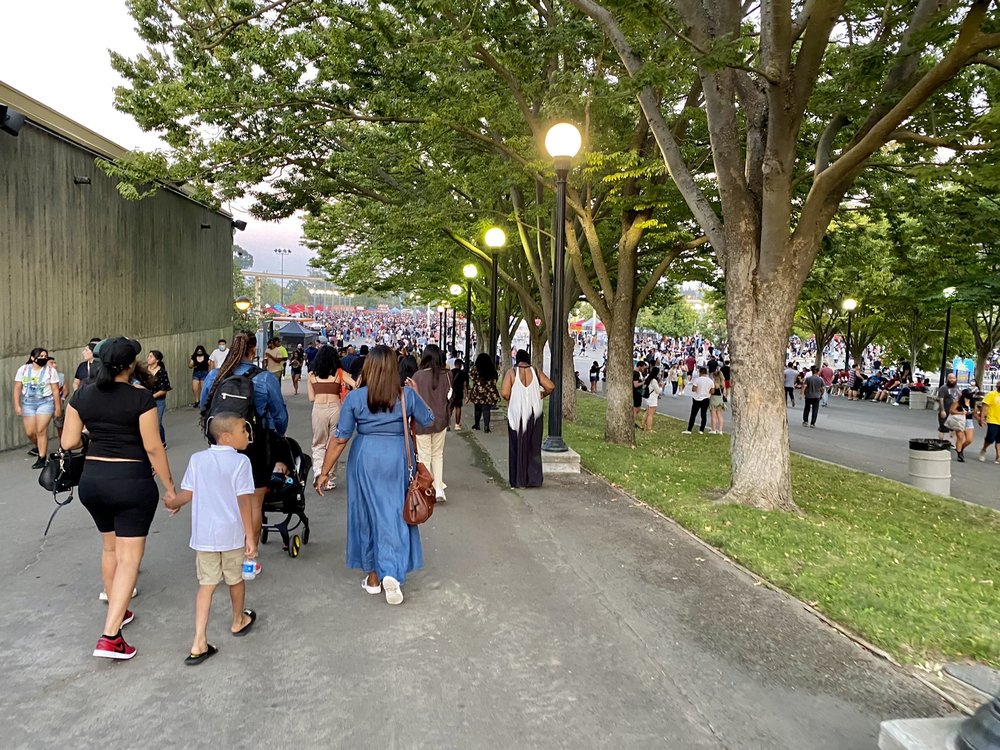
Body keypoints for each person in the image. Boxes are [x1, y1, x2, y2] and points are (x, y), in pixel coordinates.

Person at [61, 337, 174, 660]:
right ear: (130, 365)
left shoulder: (82, 395)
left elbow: (69, 442)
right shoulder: (141, 398)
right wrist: (170, 487)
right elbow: (153, 447)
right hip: (131, 482)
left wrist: (93, 435)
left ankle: (118, 609)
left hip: (93, 481)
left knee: (110, 548)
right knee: (129, 558)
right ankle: (111, 637)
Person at [314, 345, 435, 606]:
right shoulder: (406, 396)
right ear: (394, 369)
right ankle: (391, 571)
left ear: (368, 367)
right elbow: (428, 419)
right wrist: (415, 393)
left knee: (367, 513)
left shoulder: (356, 398)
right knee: (394, 513)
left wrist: (324, 472)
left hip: (365, 456)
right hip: (397, 458)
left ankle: (372, 577)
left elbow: (340, 438)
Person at [165, 413, 258, 665]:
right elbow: (244, 502)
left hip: (204, 536)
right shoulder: (241, 462)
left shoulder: (197, 459)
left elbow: (187, 494)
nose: (247, 434)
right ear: (226, 437)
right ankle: (238, 620)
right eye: (243, 430)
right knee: (235, 580)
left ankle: (198, 642)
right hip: (232, 535)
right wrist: (250, 537)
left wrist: (172, 503)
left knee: (206, 585)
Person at [200, 331, 289, 574]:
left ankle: (222, 556)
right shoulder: (264, 378)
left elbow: (204, 406)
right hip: (256, 444)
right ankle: (248, 558)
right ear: (253, 350)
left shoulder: (216, 375)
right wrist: (277, 434)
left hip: (222, 444)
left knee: (224, 500)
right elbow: (280, 415)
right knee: (253, 503)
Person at [500, 349, 555, 488]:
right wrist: (542, 394)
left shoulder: (512, 373)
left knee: (516, 447)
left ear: (517, 360)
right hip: (535, 414)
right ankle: (534, 479)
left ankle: (518, 480)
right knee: (533, 447)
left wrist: (513, 397)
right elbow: (550, 386)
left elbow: (505, 393)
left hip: (516, 415)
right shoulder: (536, 372)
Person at [308, 345, 351, 490]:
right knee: (333, 443)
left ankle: (318, 472)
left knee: (318, 443)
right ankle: (329, 477)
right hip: (336, 409)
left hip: (318, 409)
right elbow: (355, 384)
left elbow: (311, 397)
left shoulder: (311, 375)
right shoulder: (339, 373)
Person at [412, 344, 452, 502]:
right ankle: (439, 488)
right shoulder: (448, 375)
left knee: (424, 456)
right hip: (441, 420)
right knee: (438, 454)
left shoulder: (418, 376)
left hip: (422, 422)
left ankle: (426, 489)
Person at [14, 348, 62, 468]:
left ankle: (42, 457)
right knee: (30, 432)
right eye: (40, 356)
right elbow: (17, 387)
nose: (43, 358)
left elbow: (55, 390)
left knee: (41, 430)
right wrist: (17, 405)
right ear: (32, 358)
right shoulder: (23, 369)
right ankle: (39, 445)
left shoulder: (50, 371)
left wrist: (58, 408)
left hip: (45, 402)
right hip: (28, 403)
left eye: (45, 356)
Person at [469, 353, 500, 432]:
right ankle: (486, 427)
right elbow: (495, 378)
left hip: (478, 392)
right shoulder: (491, 369)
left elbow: (472, 377)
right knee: (486, 409)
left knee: (477, 409)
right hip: (489, 392)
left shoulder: (476, 369)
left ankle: (477, 424)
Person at [146, 350, 171, 446]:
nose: (148, 358)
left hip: (158, 401)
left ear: (157, 360)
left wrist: (152, 396)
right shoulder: (144, 371)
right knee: (147, 422)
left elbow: (164, 389)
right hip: (145, 400)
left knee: (157, 422)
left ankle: (162, 441)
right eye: (148, 356)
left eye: (151, 356)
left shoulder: (162, 372)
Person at [683, 366, 713, 434]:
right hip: (706, 398)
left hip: (697, 398)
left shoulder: (697, 380)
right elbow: (712, 391)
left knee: (693, 415)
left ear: (700, 372)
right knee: (703, 414)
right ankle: (701, 430)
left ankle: (689, 429)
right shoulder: (710, 381)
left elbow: (693, 389)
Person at [949, 389, 975, 462]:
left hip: (969, 421)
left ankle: (961, 448)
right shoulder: (958, 402)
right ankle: (959, 454)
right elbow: (951, 410)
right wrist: (960, 413)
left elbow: (975, 412)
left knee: (969, 440)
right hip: (959, 421)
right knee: (960, 438)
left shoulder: (972, 402)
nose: (971, 396)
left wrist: (980, 419)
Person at [978, 381, 1000, 463]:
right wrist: (982, 418)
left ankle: (998, 456)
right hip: (993, 420)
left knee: (999, 439)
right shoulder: (991, 394)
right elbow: (985, 407)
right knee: (991, 437)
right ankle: (984, 449)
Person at [937, 374, 961, 440]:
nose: (952, 380)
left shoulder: (957, 387)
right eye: (950, 378)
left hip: (954, 411)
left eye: (953, 378)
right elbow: (941, 399)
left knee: (953, 428)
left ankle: (950, 442)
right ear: (947, 379)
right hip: (945, 410)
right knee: (943, 428)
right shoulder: (943, 388)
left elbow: (959, 398)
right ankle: (941, 442)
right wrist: (942, 410)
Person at [642, 366, 662, 432]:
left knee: (647, 412)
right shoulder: (654, 381)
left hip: (648, 397)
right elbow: (658, 391)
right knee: (650, 414)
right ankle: (649, 429)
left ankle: (643, 425)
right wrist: (661, 386)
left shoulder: (648, 378)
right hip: (652, 398)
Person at [450, 358, 467, 431]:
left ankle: (447, 424)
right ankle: (457, 424)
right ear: (461, 365)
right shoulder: (463, 373)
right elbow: (465, 385)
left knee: (450, 408)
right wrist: (466, 395)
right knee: (458, 408)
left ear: (455, 364)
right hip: (459, 392)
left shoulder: (451, 372)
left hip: (451, 392)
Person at [708, 370, 726, 434]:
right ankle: (720, 431)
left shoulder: (714, 383)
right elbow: (724, 393)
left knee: (713, 415)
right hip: (720, 399)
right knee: (720, 415)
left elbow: (711, 392)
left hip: (713, 398)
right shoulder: (723, 384)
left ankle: (713, 430)